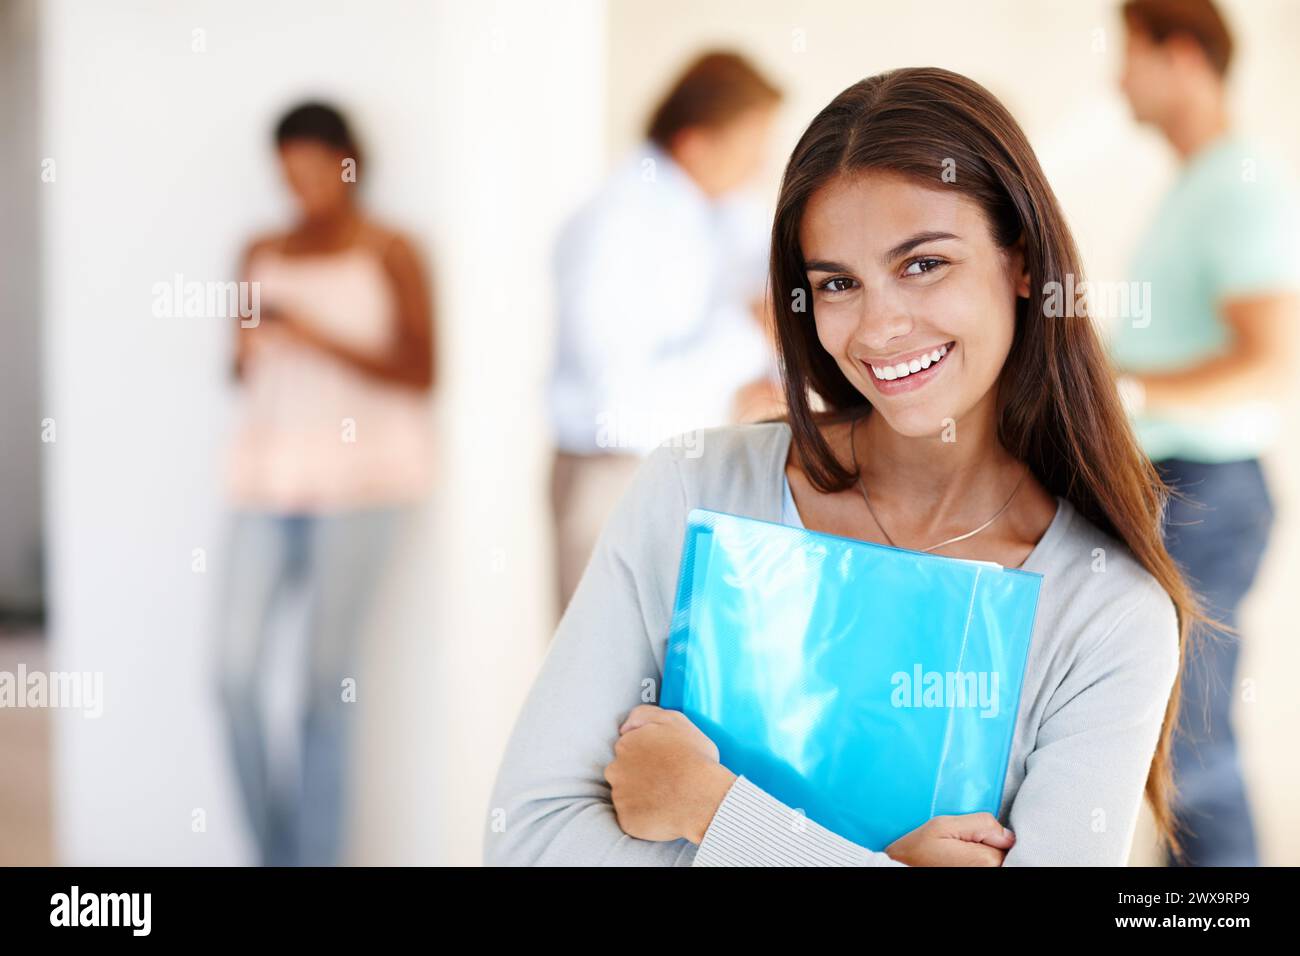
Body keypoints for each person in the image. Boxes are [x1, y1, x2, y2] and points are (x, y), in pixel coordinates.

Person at [484, 67, 1222, 867]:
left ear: (1022, 264)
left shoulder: (1108, 613)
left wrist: (711, 808)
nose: (879, 328)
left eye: (923, 265)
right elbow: (531, 843)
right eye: (838, 283)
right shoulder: (693, 488)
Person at [216, 102, 437, 866]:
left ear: (348, 163)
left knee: (322, 685)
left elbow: (420, 370)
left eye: (314, 169)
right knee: (231, 673)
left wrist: (318, 336)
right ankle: (278, 856)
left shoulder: (391, 249)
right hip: (269, 478)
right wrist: (252, 344)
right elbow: (233, 369)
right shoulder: (259, 249)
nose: (301, 186)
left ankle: (316, 860)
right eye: (288, 173)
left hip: (365, 483)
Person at [1114, 0, 1300, 866]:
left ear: (1179, 54)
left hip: (1210, 493)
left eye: (1129, 54)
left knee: (1192, 749)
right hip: (1181, 484)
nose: (1117, 77)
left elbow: (1270, 359)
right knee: (1168, 742)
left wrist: (1125, 388)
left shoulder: (1237, 183)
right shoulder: (1195, 184)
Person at [548, 51, 784, 616]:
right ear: (694, 143)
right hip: (613, 477)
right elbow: (623, 403)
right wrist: (751, 332)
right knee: (608, 676)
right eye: (749, 146)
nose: (757, 166)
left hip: (682, 466)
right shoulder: (617, 226)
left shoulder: (715, 215)